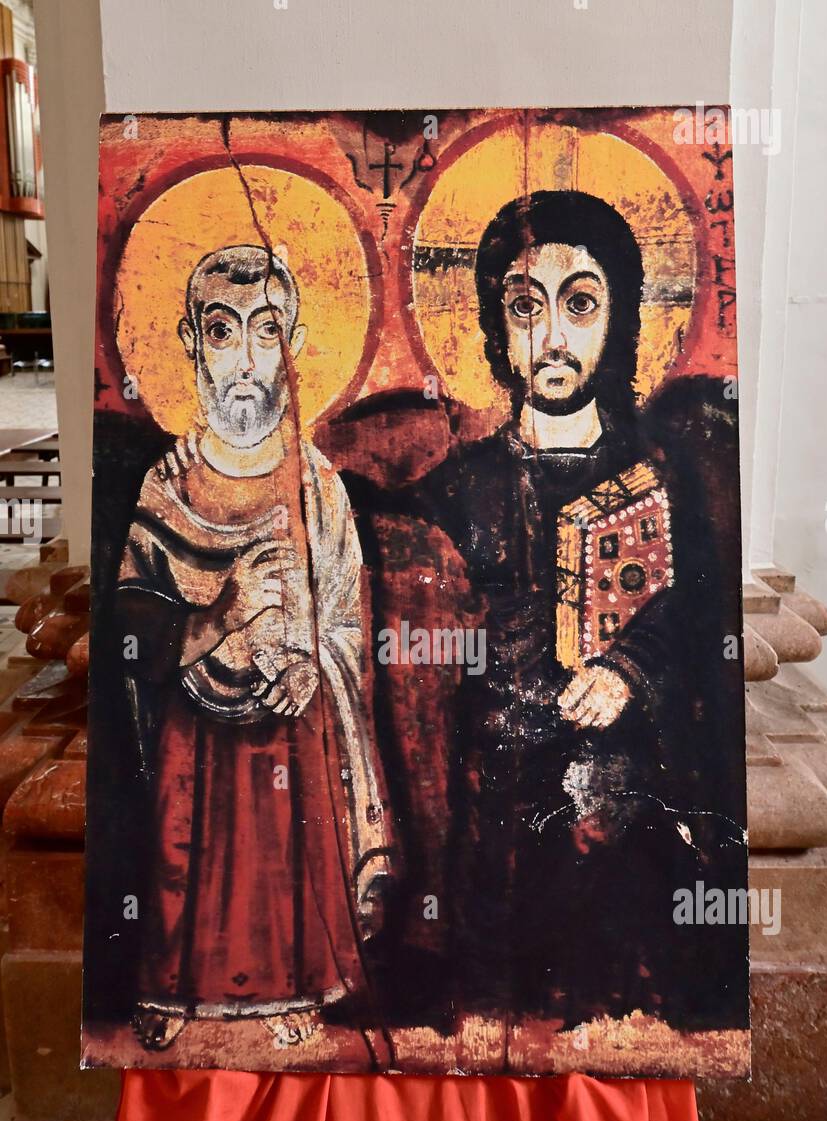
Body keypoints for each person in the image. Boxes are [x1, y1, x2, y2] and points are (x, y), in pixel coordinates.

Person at [347, 190, 748, 1031]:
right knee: (493, 1005)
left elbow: (698, 614)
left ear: (618, 318)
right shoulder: (461, 481)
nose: (554, 338)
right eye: (526, 307)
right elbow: (405, 596)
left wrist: (631, 672)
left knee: (611, 1012)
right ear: (497, 327)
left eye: (581, 304)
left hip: (622, 807)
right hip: (493, 808)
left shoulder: (663, 474)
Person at [116, 244, 392, 1052]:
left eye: (264, 331)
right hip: (190, 731)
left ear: (293, 343)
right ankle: (172, 986)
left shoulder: (317, 488)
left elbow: (346, 617)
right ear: (190, 341)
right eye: (222, 330)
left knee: (283, 844)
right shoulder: (166, 487)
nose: (244, 358)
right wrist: (220, 617)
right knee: (181, 845)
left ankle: (293, 984)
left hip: (287, 724)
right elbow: (134, 623)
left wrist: (312, 664)